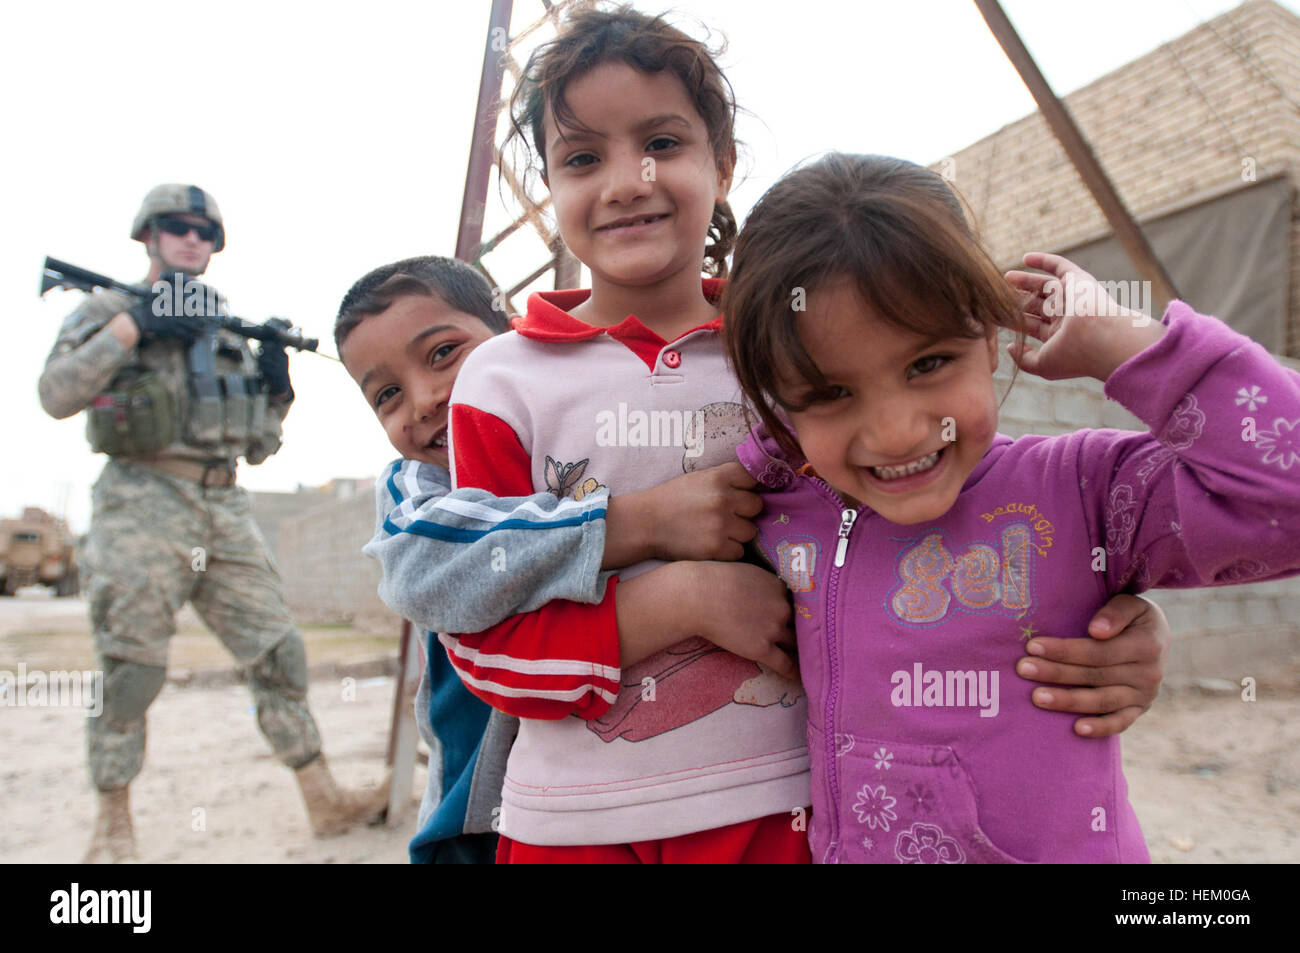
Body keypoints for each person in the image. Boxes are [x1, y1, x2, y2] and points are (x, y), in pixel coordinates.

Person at [435, 4, 1174, 863]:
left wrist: (1108, 617)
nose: (627, 180)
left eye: (663, 144)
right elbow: (480, 633)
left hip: (783, 808)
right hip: (566, 824)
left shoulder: (800, 352)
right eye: (583, 157)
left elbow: (937, 522)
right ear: (545, 187)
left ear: (724, 161)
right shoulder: (501, 383)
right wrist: (678, 600)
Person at [721, 152, 1300, 862]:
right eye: (832, 392)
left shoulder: (1079, 496)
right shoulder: (773, 505)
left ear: (992, 337)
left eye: (928, 363)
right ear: (782, 401)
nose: (898, 430)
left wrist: (1128, 345)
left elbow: (1288, 492)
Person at [339, 255, 818, 861]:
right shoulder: (420, 488)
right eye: (387, 394)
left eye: (442, 354)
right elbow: (422, 570)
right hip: (479, 804)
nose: (426, 398)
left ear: (511, 339)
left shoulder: (589, 412)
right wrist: (639, 526)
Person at [38, 183, 388, 863]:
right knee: (131, 666)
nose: (194, 239)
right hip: (141, 498)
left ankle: (323, 797)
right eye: (178, 227)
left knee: (277, 649)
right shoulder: (109, 308)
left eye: (206, 231)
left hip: (222, 504)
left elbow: (255, 443)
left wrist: (276, 386)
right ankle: (113, 826)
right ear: (149, 235)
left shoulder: (226, 327)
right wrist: (134, 328)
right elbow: (55, 394)